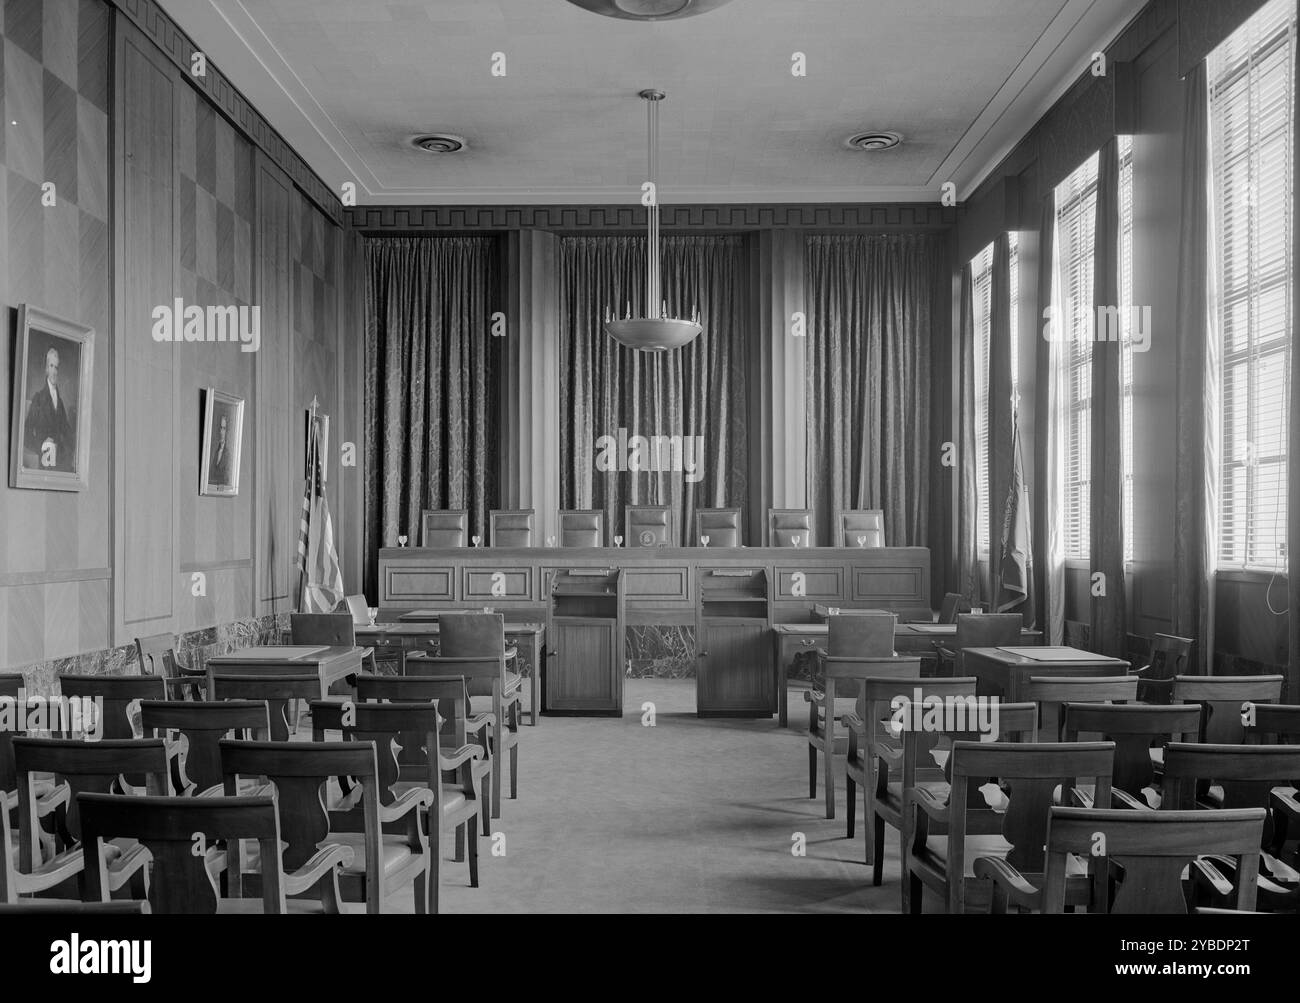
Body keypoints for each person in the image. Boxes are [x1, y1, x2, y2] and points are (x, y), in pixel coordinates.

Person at [24, 347, 73, 471]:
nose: (54, 371)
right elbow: (26, 432)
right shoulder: (38, 398)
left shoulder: (60, 402)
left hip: (61, 456)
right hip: (44, 459)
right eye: (51, 366)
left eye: (56, 367)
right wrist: (41, 445)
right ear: (46, 369)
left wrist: (73, 448)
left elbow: (66, 430)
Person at [209, 412, 233, 486]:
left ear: (227, 431)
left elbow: (227, 480)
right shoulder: (215, 451)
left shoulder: (228, 454)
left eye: (224, 429)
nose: (221, 432)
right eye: (220, 428)